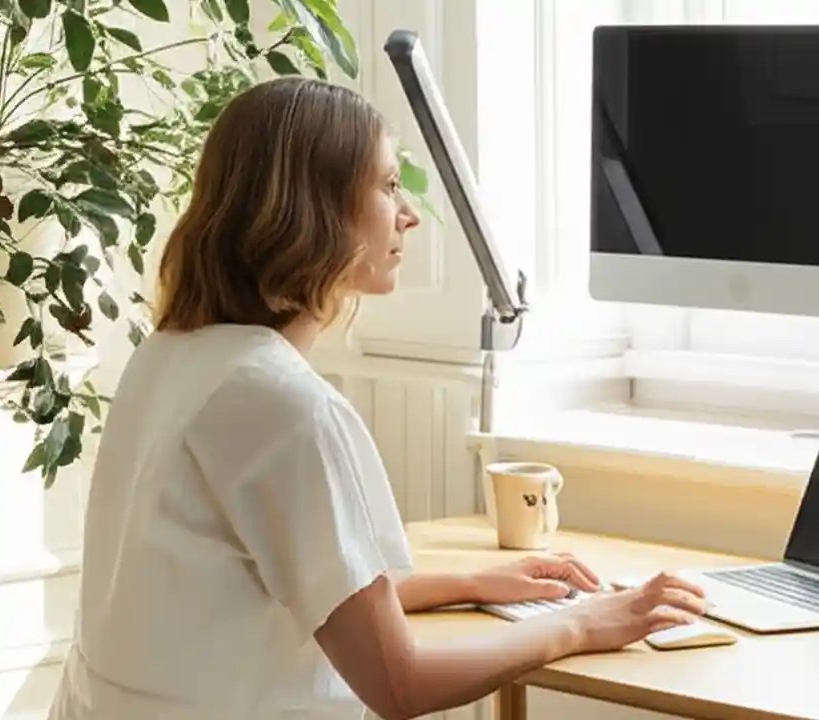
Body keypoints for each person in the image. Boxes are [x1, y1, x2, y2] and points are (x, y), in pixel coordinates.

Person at [47, 76, 707, 720]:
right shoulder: (284, 404)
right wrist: (583, 624)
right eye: (389, 186)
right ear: (316, 208)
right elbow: (399, 684)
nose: (409, 214)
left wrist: (474, 583)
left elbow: (299, 589)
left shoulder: (170, 357)